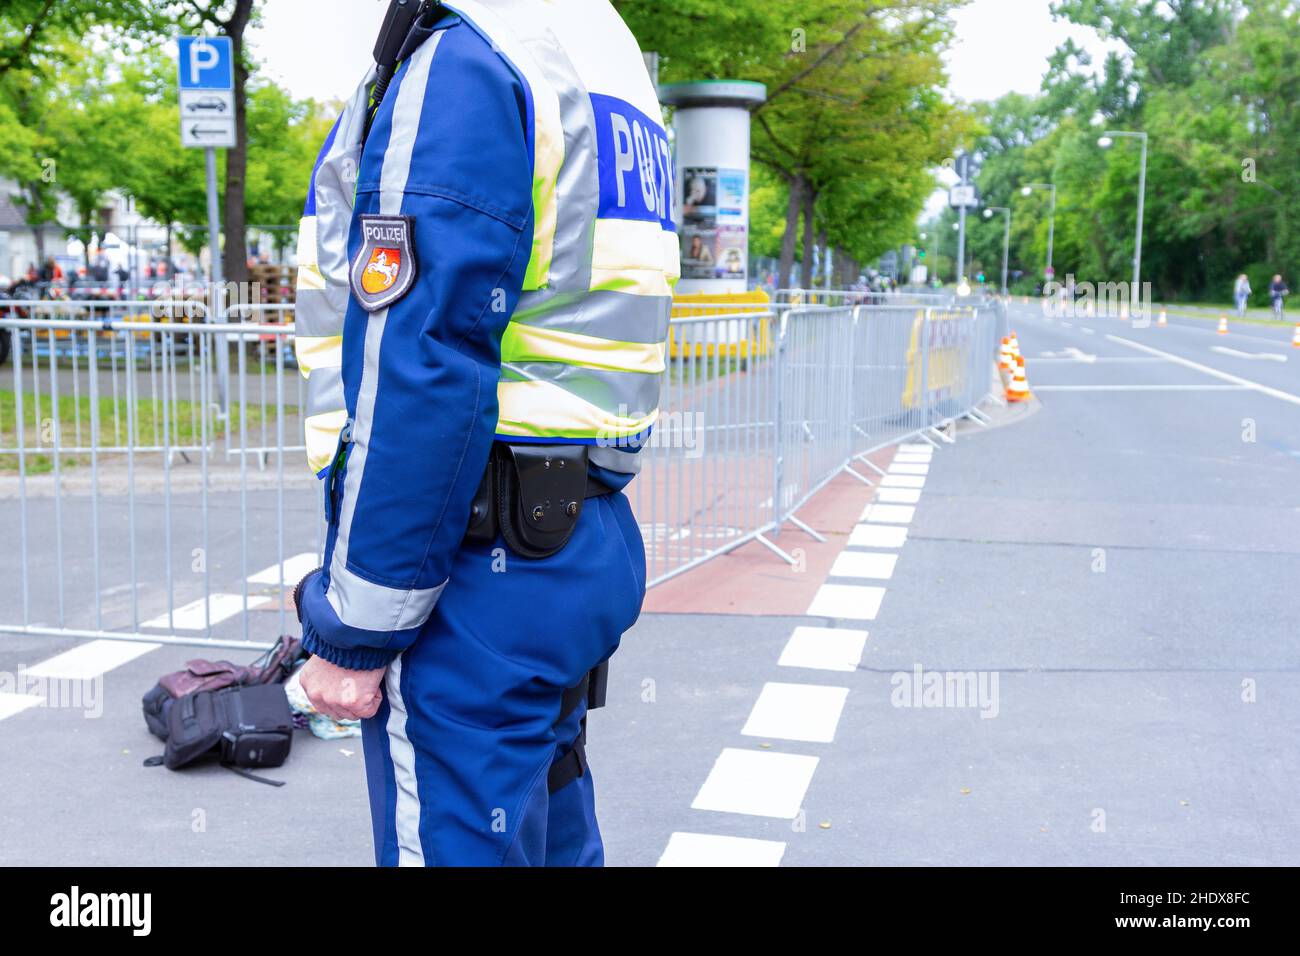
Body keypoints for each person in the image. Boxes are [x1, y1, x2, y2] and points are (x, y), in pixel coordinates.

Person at [291, 0, 677, 866]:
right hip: (575, 536)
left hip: (471, 565)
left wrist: (356, 629)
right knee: (551, 825)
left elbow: (421, 369)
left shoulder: (471, 52)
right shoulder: (598, 47)